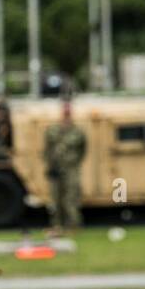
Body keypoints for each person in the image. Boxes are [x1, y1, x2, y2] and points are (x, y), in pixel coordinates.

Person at [43, 99, 87, 233]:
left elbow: (83, 150)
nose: (66, 114)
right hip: (56, 168)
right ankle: (57, 225)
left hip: (71, 168)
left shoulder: (78, 131)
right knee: (55, 198)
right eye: (64, 112)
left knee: (71, 197)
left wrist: (74, 162)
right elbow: (47, 149)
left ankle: (73, 225)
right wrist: (49, 165)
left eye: (68, 112)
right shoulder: (52, 130)